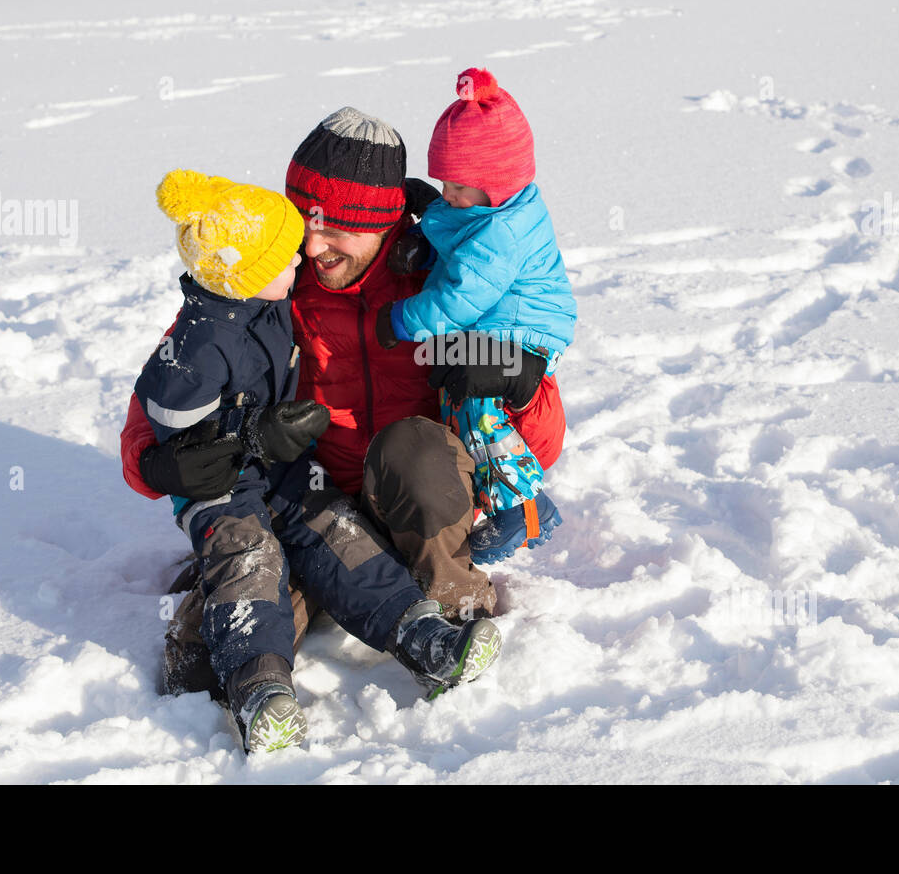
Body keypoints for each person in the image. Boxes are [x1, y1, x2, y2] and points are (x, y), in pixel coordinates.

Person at [118, 108, 567, 699]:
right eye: (304, 219)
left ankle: (450, 604)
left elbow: (538, 447)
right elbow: (172, 388)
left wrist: (521, 382)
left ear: (384, 224)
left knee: (416, 449)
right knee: (210, 660)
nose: (312, 243)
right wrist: (159, 464)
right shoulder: (270, 278)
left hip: (415, 505)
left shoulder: (446, 283)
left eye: (336, 227)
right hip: (308, 507)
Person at [130, 169, 500, 753]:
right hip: (230, 488)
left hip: (300, 476)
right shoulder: (208, 334)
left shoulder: (433, 283)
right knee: (248, 569)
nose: (305, 255)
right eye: (288, 254)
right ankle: (261, 693)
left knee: (342, 536)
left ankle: (422, 633)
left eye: (336, 232)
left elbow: (524, 419)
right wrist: (180, 460)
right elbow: (162, 420)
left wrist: (443, 234)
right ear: (248, 271)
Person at [375, 68, 576, 563]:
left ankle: (523, 506)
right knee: (457, 399)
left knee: (479, 407)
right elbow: (459, 244)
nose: (448, 194)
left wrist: (401, 319)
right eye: (445, 182)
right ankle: (493, 497)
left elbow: (459, 298)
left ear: (498, 185)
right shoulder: (492, 209)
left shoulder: (500, 234)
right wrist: (425, 247)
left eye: (459, 186)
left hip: (523, 336)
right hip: (498, 330)